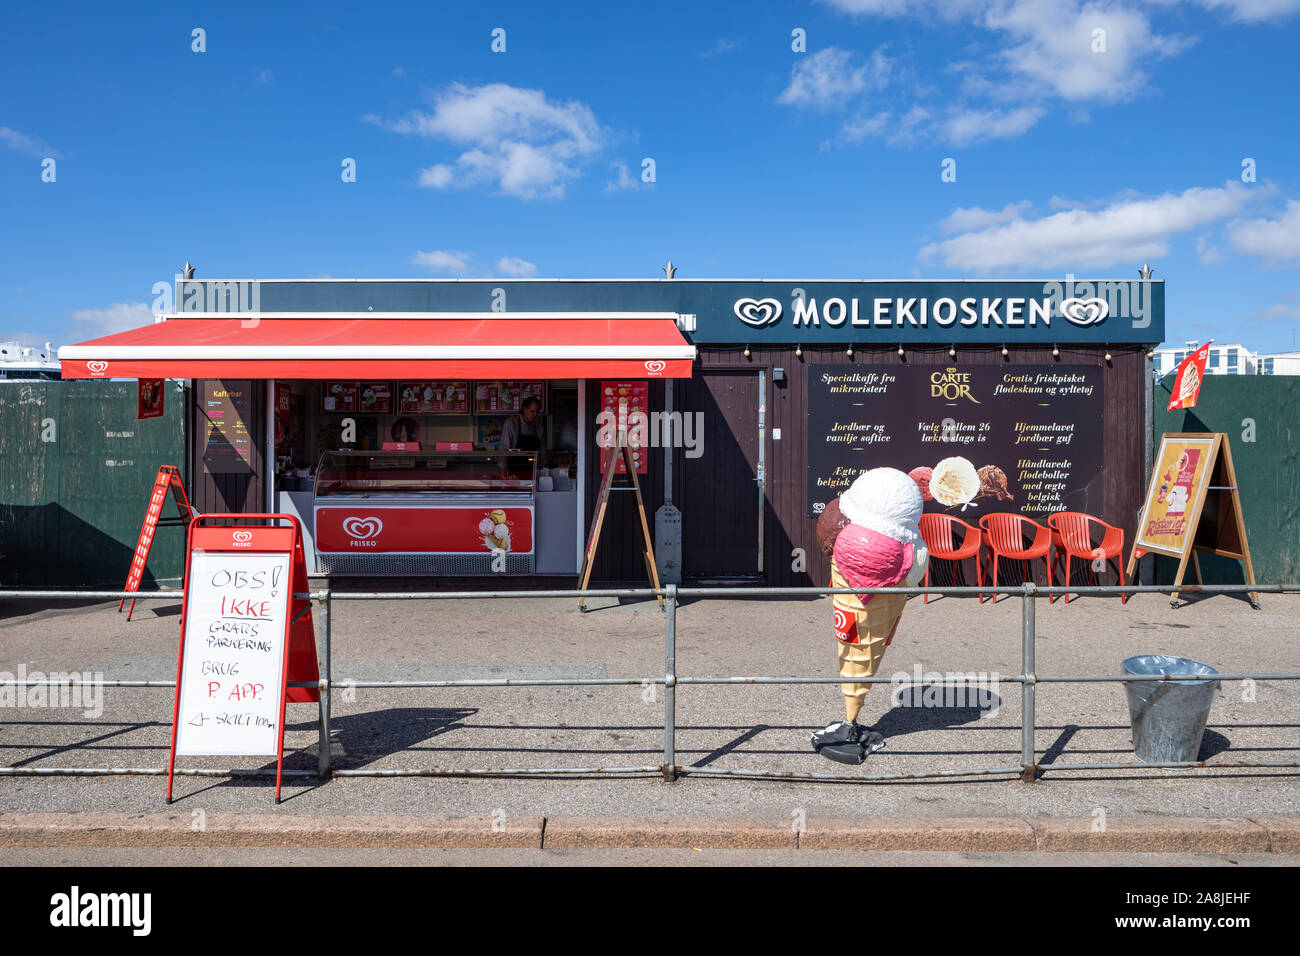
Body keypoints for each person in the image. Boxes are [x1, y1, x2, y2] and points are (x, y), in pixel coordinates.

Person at [499, 396, 546, 465]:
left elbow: (542, 451)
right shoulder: (511, 424)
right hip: (514, 469)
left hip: (534, 469)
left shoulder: (539, 427)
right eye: (532, 411)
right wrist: (503, 474)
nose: (535, 414)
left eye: (537, 411)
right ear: (524, 409)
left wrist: (544, 467)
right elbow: (504, 449)